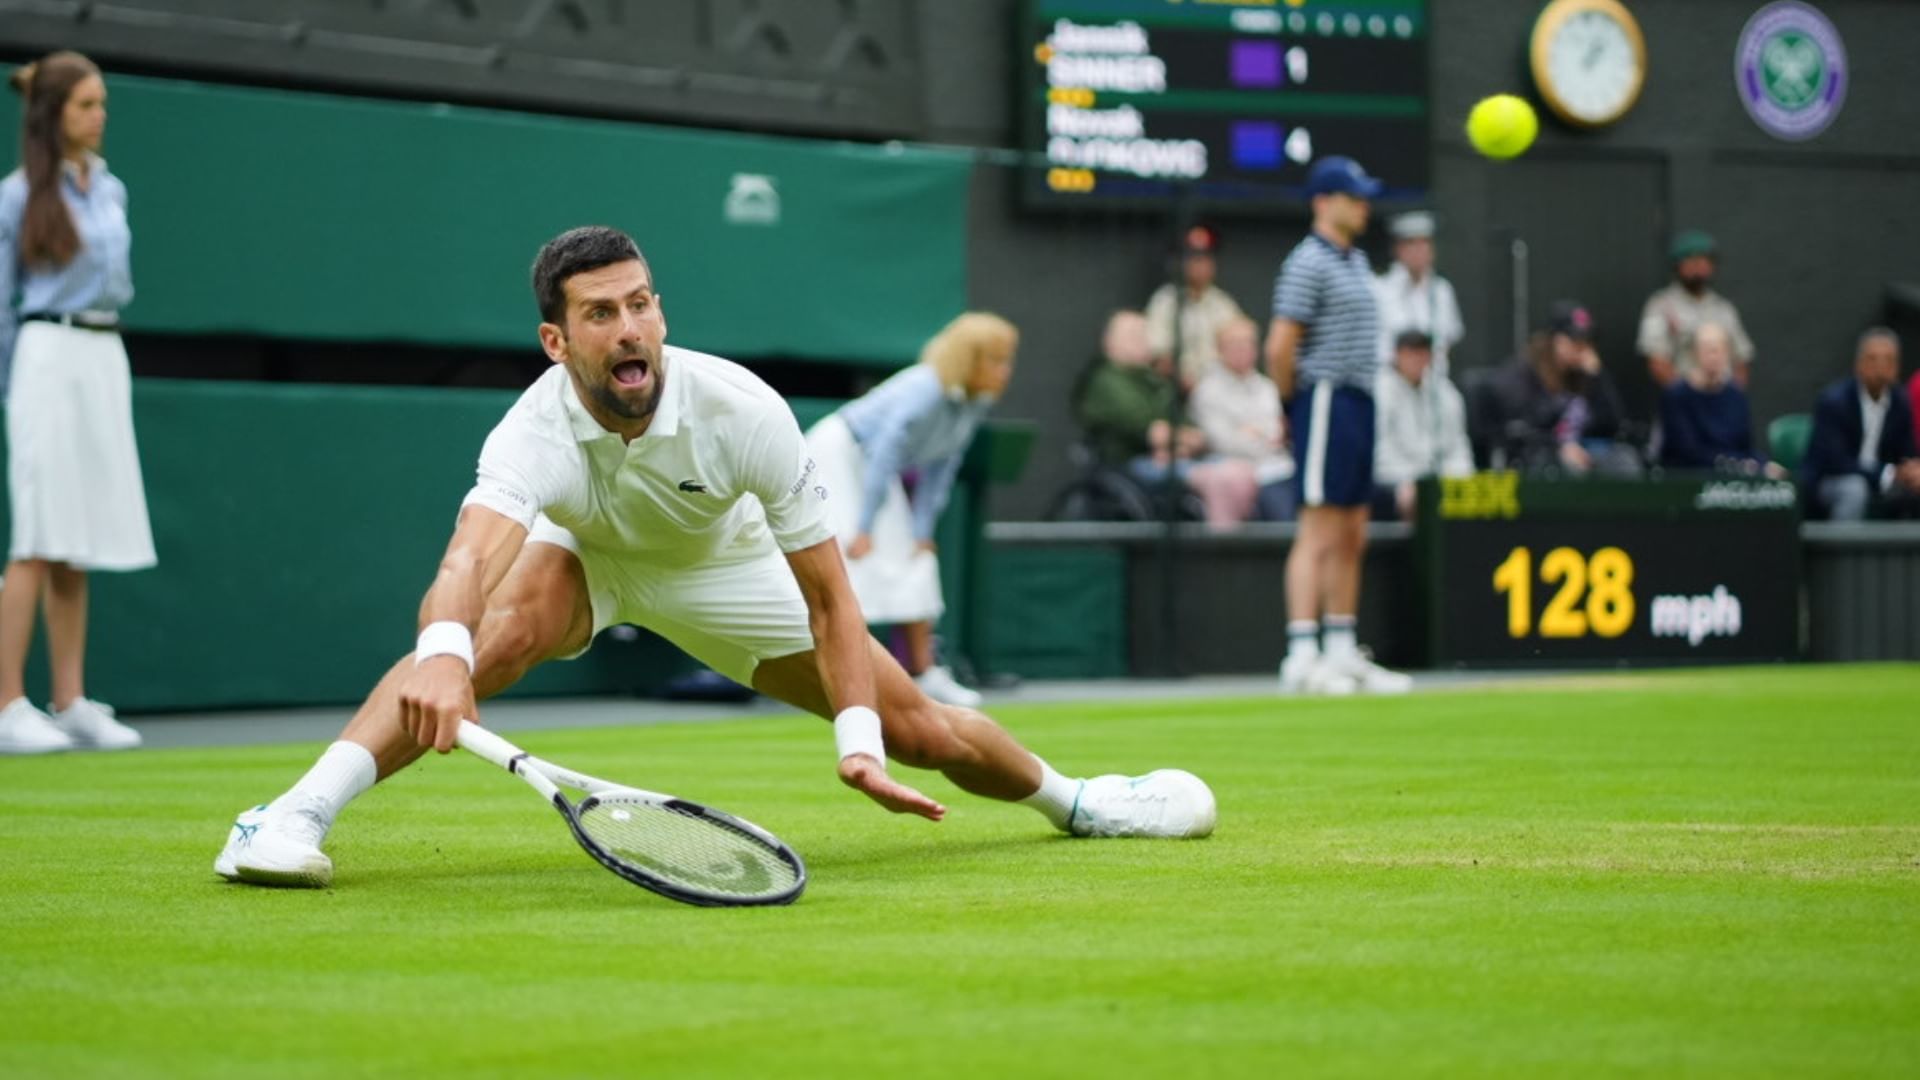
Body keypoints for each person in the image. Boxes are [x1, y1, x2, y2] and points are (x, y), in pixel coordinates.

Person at [213, 228, 1215, 887]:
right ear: (557, 343)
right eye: (600, 314)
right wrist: (442, 646)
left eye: (640, 303)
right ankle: (287, 818)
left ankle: (1079, 801)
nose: (629, 327)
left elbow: (833, 605)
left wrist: (856, 736)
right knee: (491, 636)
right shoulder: (534, 432)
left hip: (723, 572)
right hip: (590, 555)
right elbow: (470, 558)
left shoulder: (744, 412)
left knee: (925, 730)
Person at [0, 52, 150, 755]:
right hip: (44, 357)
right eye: (87, 104)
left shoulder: (110, 189)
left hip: (100, 356)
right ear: (54, 114)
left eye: (102, 103)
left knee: (77, 537)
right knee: (35, 535)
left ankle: (70, 701)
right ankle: (7, 704)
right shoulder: (14, 196)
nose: (100, 116)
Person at [804, 312, 1018, 708]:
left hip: (870, 469)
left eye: (1007, 361)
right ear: (970, 359)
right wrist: (865, 526)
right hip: (838, 454)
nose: (1005, 371)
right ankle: (844, 676)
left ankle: (923, 673)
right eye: (996, 360)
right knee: (848, 559)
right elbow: (885, 450)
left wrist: (923, 532)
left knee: (912, 556)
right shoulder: (926, 388)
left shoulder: (974, 403)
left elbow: (941, 469)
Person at [1266, 156, 1410, 696]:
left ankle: (1342, 648)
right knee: (1319, 528)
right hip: (1324, 397)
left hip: (1359, 400)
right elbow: (1280, 346)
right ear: (1323, 202)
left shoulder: (1354, 261)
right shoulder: (1307, 261)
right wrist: (1292, 406)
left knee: (1353, 530)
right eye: (1354, 197)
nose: (1364, 206)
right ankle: (1301, 654)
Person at [1079, 310, 1257, 528]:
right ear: (1109, 342)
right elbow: (1153, 434)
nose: (1141, 340)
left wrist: (1178, 446)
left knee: (1240, 471)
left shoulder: (1156, 381)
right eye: (1131, 334)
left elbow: (1196, 434)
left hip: (1178, 460)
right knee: (1220, 480)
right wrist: (1172, 441)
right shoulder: (1106, 380)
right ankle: (1222, 552)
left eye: (1143, 333)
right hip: (1131, 466)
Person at [1483, 302, 1637, 477]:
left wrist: (1598, 377)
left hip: (1584, 448)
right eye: (1575, 340)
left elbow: (1614, 425)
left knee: (1625, 461)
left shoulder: (1587, 374)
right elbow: (1522, 431)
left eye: (1587, 340)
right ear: (1555, 339)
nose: (1582, 347)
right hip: (1543, 454)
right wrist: (1559, 448)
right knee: (1566, 468)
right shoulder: (1524, 374)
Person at [1800, 328, 1920, 521]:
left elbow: (1907, 451)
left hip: (1881, 481)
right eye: (1873, 359)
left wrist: (1913, 469)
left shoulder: (1900, 402)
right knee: (1854, 489)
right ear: (1859, 365)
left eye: (1888, 360)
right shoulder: (1834, 401)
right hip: (1829, 481)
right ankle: (1842, 551)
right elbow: (1837, 461)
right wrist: (1887, 473)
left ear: (1897, 367)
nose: (1881, 367)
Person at [1188, 315, 1294, 521]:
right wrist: (1265, 436)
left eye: (1247, 343)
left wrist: (1255, 433)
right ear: (1219, 350)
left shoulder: (1267, 387)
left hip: (1282, 469)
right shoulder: (1207, 391)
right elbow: (1224, 442)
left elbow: (1280, 432)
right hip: (1238, 473)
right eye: (1234, 344)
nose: (1242, 349)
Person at [1372, 330, 1473, 521]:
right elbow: (1381, 453)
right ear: (1397, 355)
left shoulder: (1445, 393)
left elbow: (1459, 447)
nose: (1416, 360)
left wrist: (1456, 481)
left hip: (1441, 481)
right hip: (1395, 483)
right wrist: (1413, 482)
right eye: (1410, 353)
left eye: (1422, 353)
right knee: (1411, 497)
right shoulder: (1380, 392)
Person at [1637, 230, 1755, 390]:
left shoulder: (1724, 308)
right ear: (1678, 265)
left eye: (1704, 261)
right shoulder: (1660, 305)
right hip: (1684, 400)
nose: (1698, 267)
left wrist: (1732, 396)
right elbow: (1656, 360)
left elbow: (1742, 358)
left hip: (1722, 397)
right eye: (1691, 261)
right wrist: (1686, 395)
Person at [1144, 224, 1245, 390]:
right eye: (1194, 258)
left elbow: (1241, 349)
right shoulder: (1165, 301)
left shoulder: (1223, 303)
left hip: (1221, 390)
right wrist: (1185, 380)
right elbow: (1158, 358)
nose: (1200, 265)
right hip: (1176, 391)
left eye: (1206, 258)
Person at [1656, 321, 1766, 473]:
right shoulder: (1676, 395)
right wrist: (1736, 464)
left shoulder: (1736, 395)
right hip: (1687, 477)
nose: (1714, 356)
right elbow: (1687, 451)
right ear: (1694, 353)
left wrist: (1762, 464)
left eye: (1719, 350)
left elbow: (1746, 446)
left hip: (1733, 477)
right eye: (1708, 349)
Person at [1372, 211, 1464, 380]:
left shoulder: (1442, 290)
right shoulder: (1379, 290)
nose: (1419, 250)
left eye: (1424, 243)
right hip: (1393, 385)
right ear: (1398, 249)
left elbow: (1448, 339)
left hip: (1434, 383)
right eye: (1411, 243)